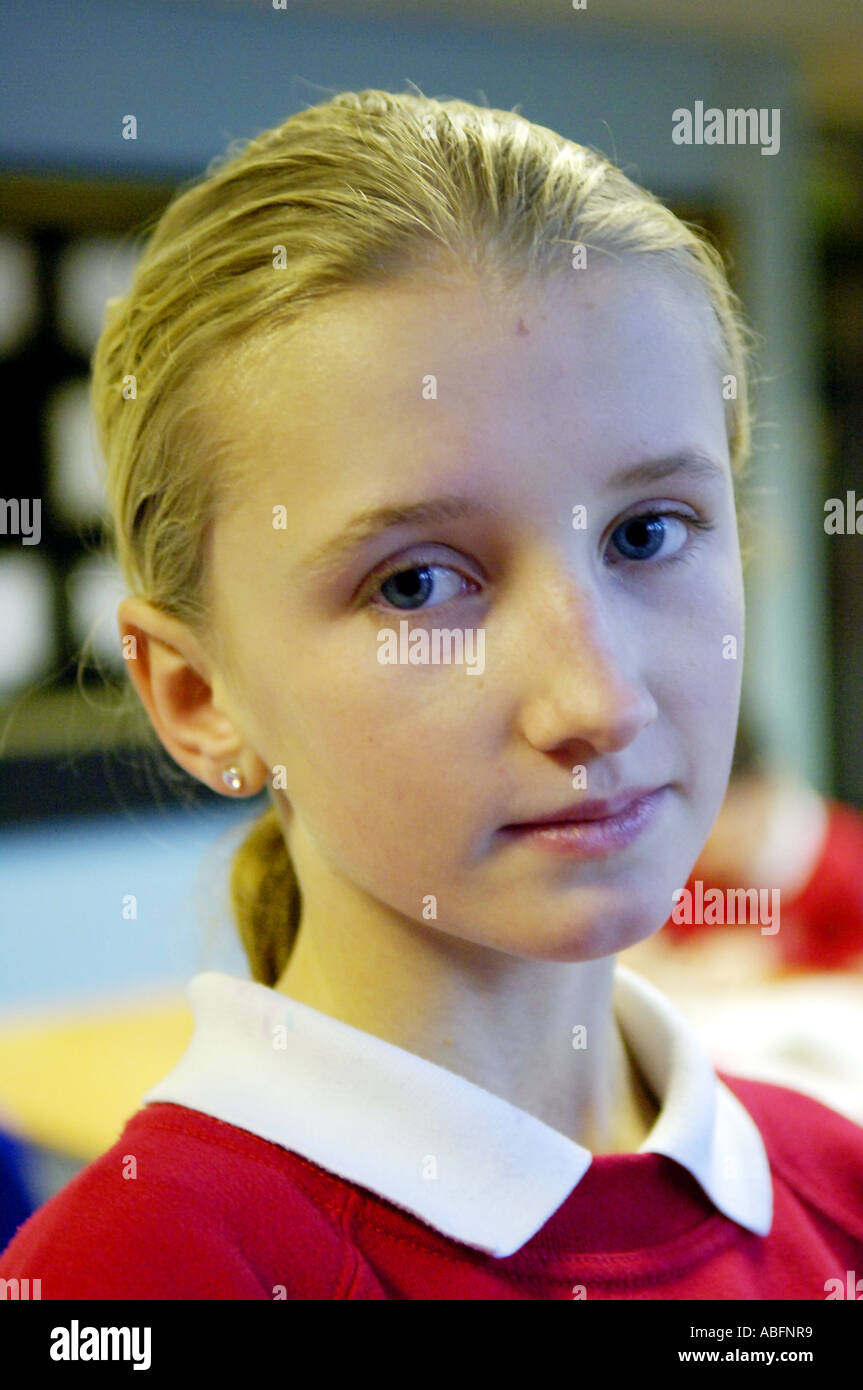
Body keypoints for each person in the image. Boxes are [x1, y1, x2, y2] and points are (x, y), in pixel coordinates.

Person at [2, 88, 862, 1301]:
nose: (595, 700)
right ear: (199, 697)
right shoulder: (134, 1279)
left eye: (646, 532)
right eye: (415, 583)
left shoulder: (831, 1184)